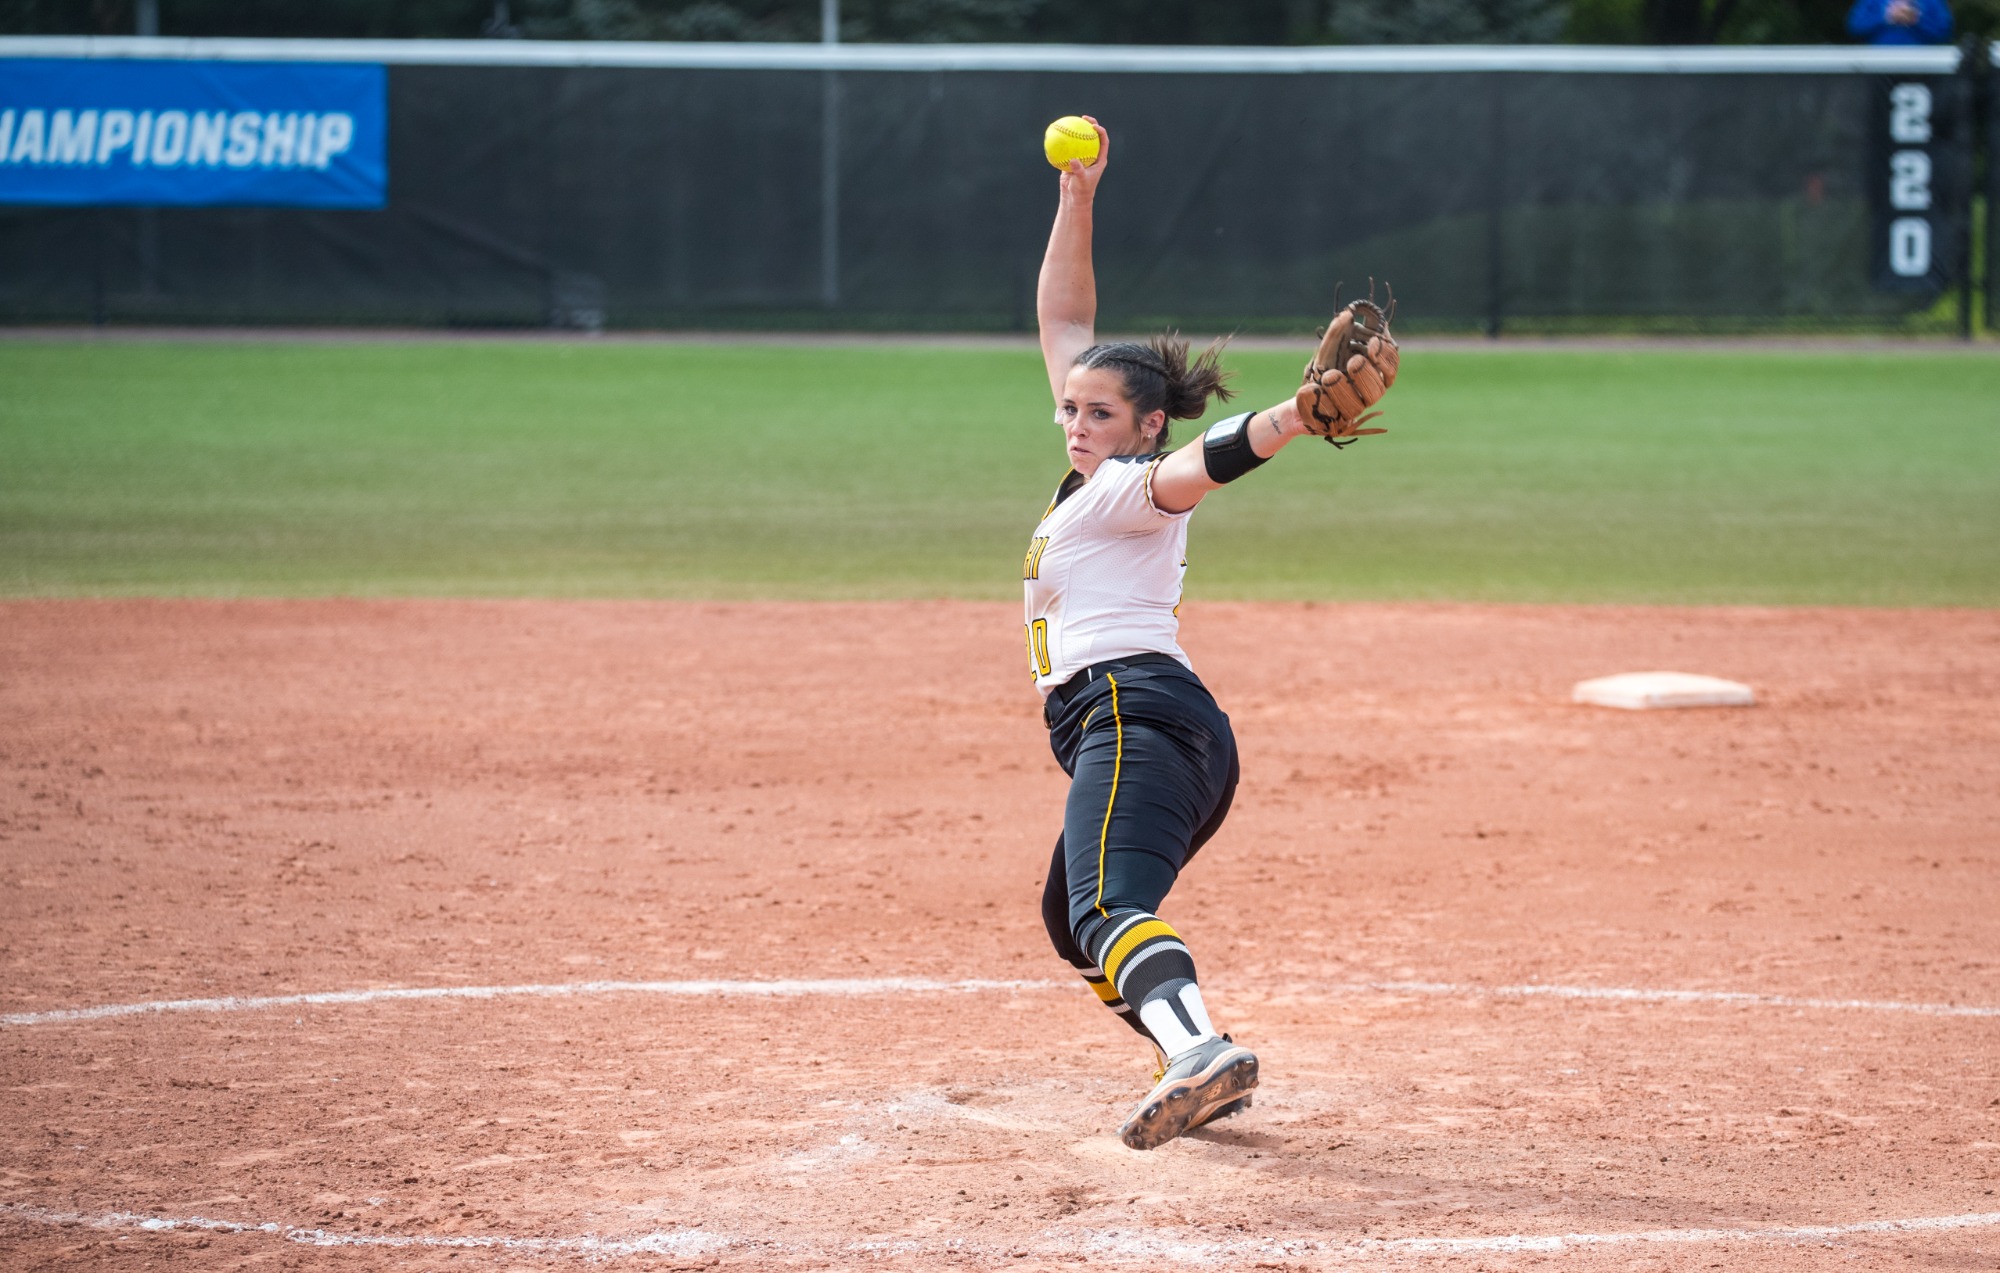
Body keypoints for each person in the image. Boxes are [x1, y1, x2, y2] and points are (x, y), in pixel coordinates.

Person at [1027, 117, 1397, 1150]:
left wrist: (1296, 415)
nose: (1075, 423)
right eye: (1070, 409)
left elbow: (1207, 463)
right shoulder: (1091, 478)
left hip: (1131, 717)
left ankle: (1196, 1051)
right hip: (1164, 730)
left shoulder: (1131, 488)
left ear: (1148, 424)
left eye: (1098, 413)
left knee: (1105, 904)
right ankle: (1191, 1057)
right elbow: (1064, 319)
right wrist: (1077, 199)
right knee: (1072, 919)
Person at [1847, 0, 1953, 44]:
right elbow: (1854, 27)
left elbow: (1945, 31)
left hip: (1921, 66)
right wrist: (1886, 17)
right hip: (1879, 65)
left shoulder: (1932, 2)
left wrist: (1917, 20)